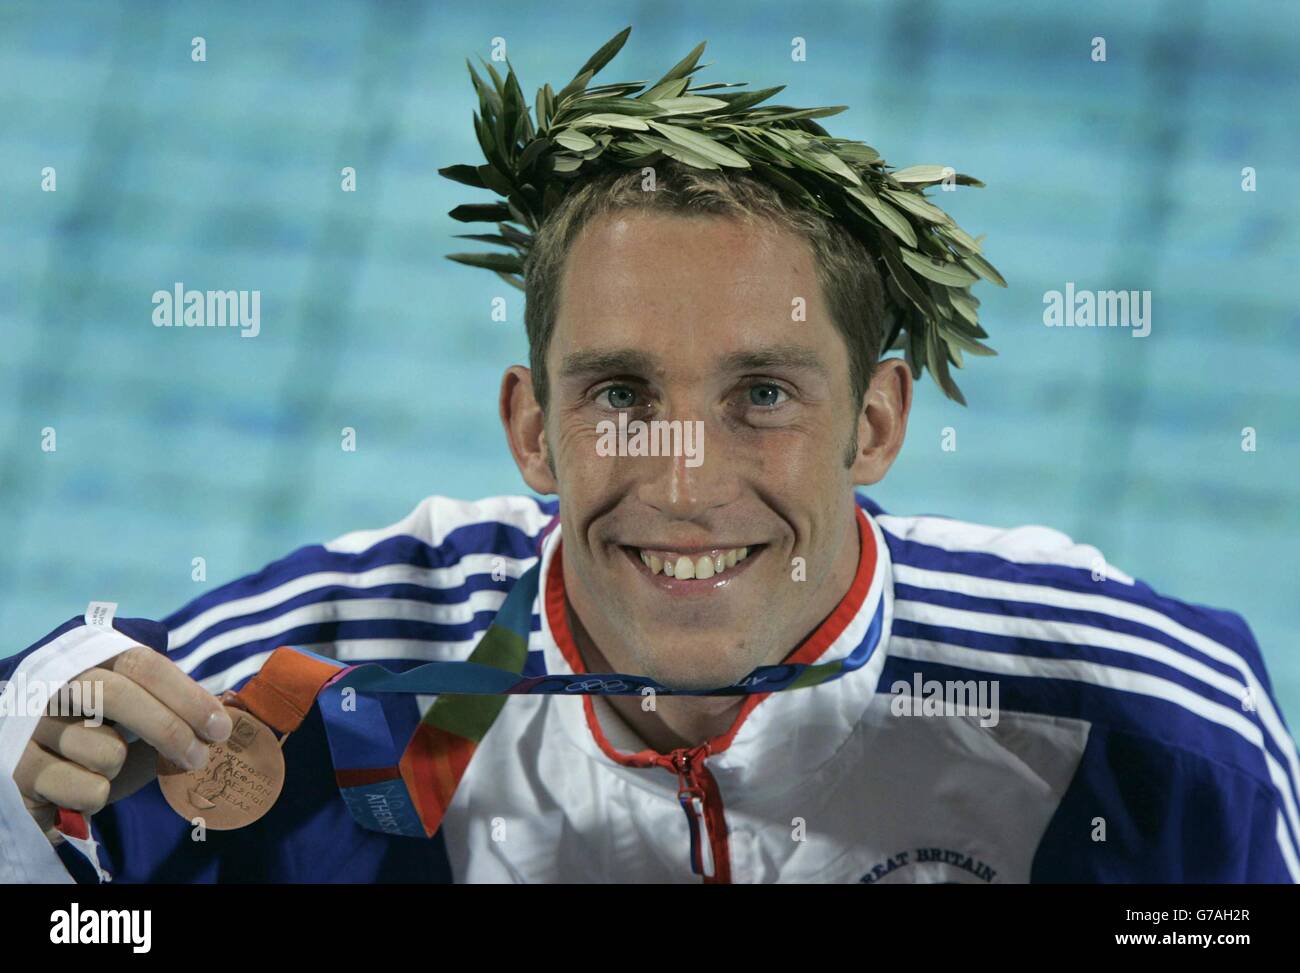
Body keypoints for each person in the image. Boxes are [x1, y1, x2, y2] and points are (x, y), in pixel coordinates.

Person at [2, 30, 1296, 884]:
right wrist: (21, 781)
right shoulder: (339, 672)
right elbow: (60, 761)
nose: (683, 484)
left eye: (763, 394)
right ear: (531, 428)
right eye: (622, 392)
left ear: (878, 422)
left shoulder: (1142, 727)